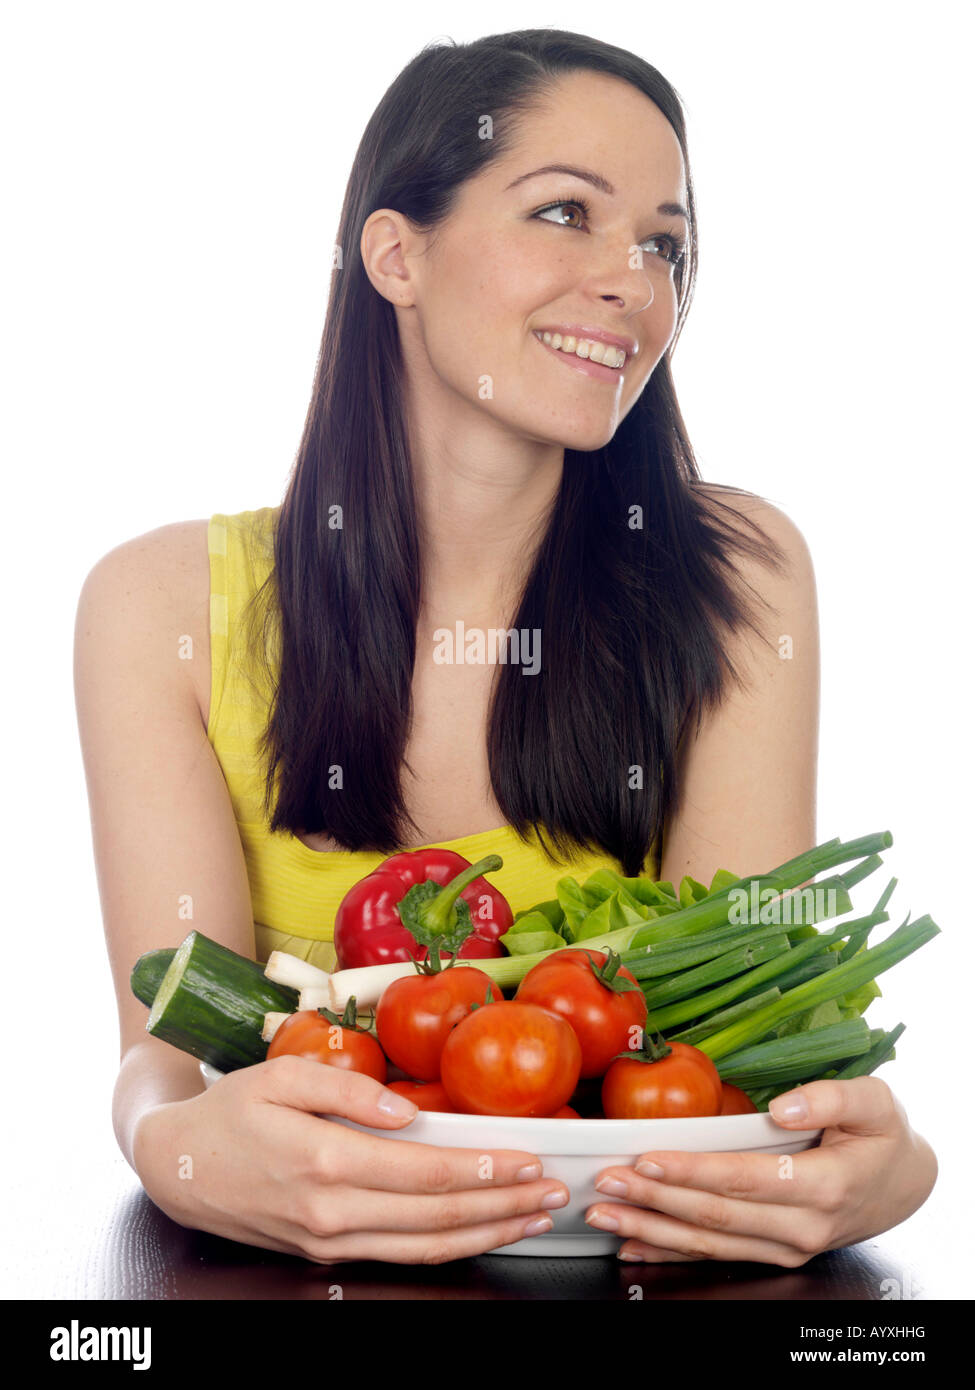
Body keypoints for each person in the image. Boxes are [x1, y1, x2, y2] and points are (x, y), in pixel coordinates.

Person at [74, 28, 937, 1268]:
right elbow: (167, 1052)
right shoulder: (159, 604)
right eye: (565, 212)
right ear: (396, 252)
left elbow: (738, 1038)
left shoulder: (735, 575)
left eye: (664, 244)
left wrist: (889, 1168)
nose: (634, 283)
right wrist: (174, 1150)